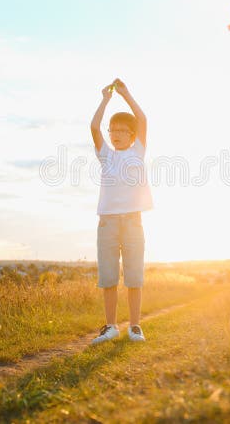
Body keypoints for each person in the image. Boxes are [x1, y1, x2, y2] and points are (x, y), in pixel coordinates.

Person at [89, 78, 153, 344]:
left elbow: (143, 118)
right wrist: (105, 98)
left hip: (133, 222)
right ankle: (111, 326)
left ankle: (135, 326)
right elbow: (94, 126)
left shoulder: (137, 152)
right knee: (108, 277)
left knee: (134, 276)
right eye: (112, 129)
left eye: (121, 130)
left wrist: (126, 94)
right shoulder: (106, 155)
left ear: (132, 134)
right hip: (108, 223)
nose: (114, 134)